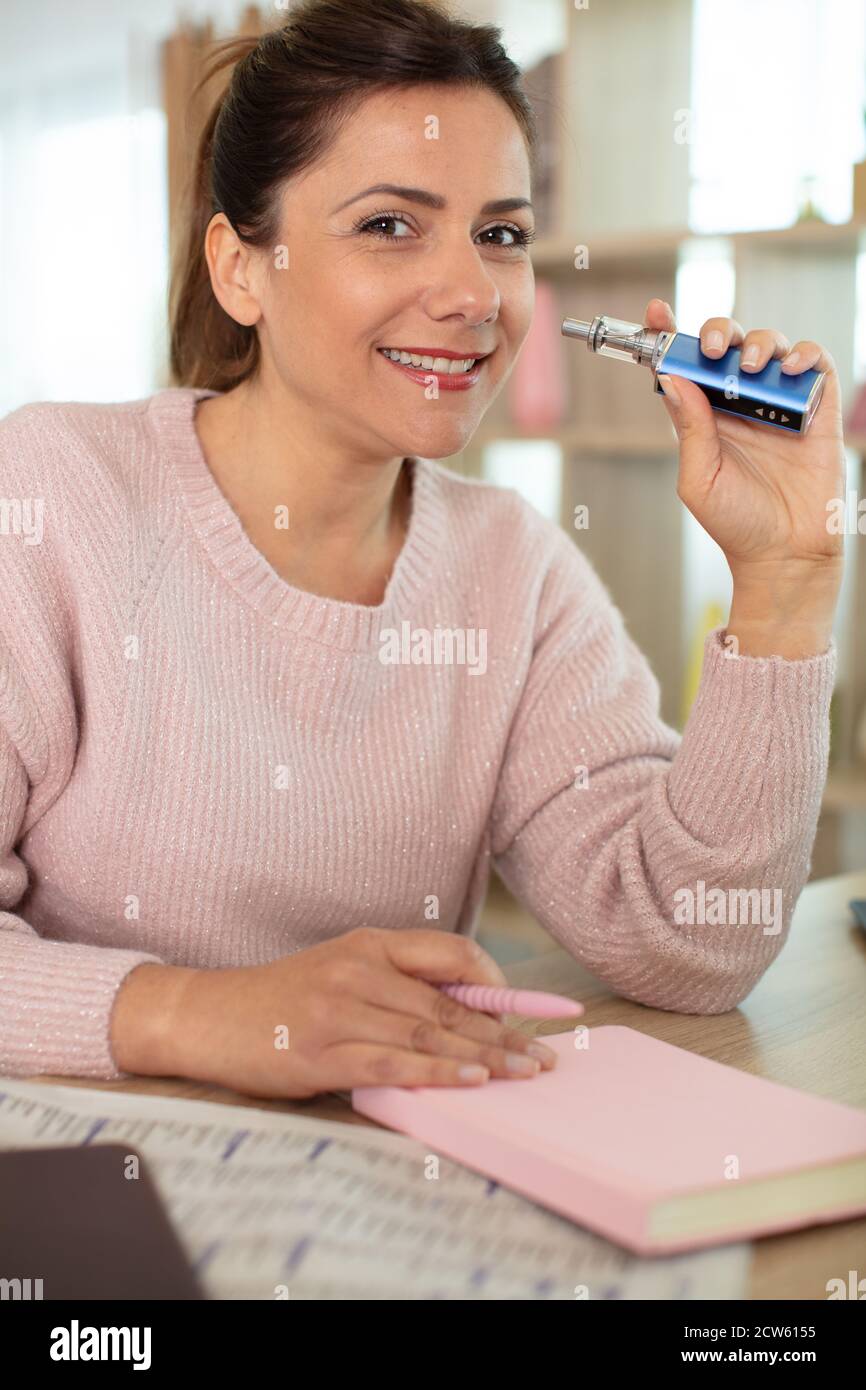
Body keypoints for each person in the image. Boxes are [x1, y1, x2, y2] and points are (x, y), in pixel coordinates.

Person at [0, 0, 843, 1099]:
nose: (469, 295)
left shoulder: (513, 572)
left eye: (499, 233)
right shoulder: (52, 495)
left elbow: (689, 945)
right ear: (240, 266)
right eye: (389, 225)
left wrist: (784, 583)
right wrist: (210, 1013)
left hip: (379, 1213)